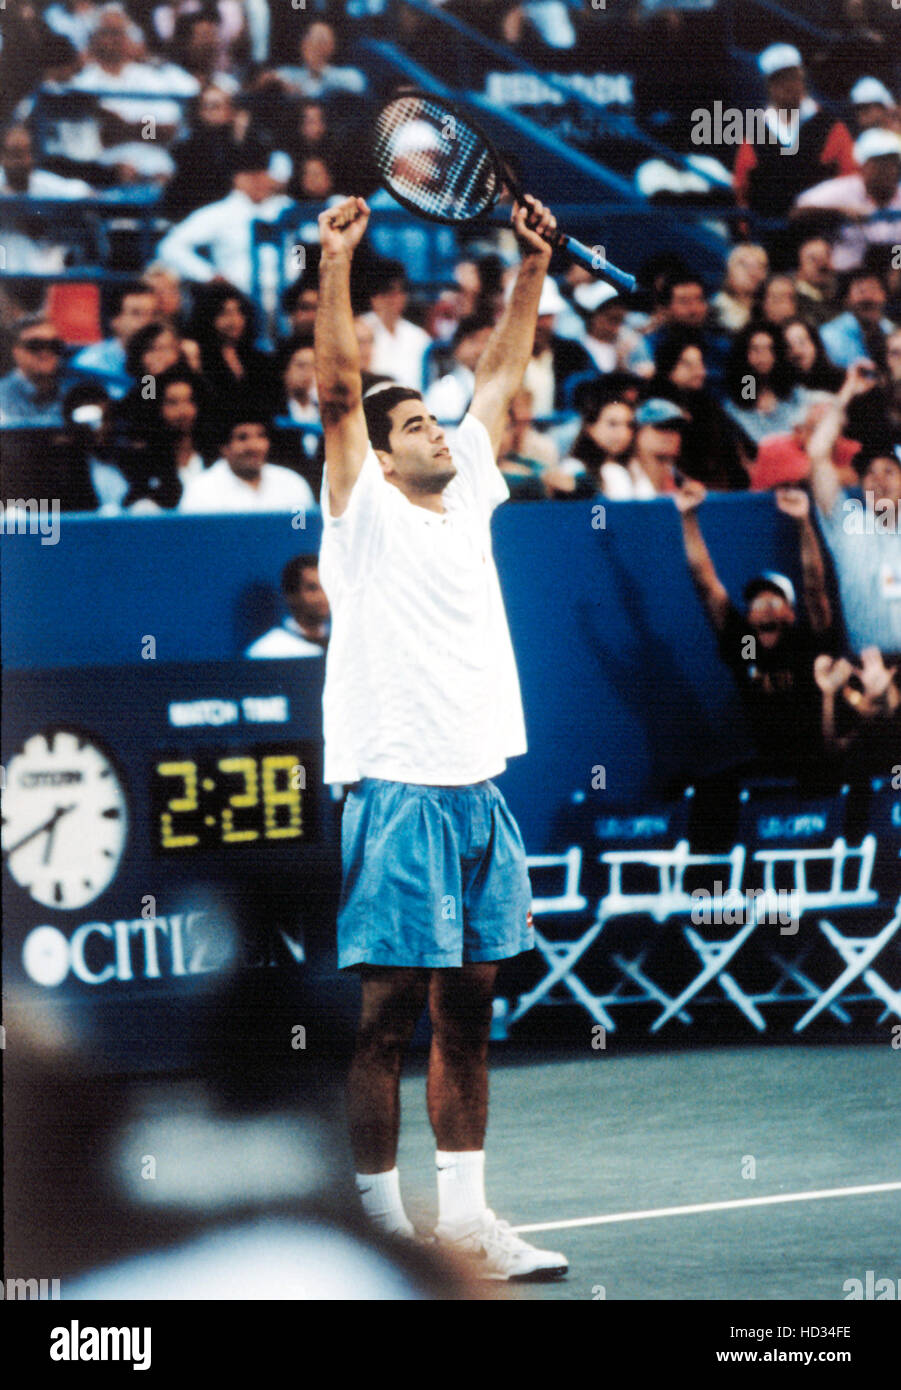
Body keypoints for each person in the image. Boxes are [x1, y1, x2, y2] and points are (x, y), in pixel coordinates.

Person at [313, 192, 568, 1280]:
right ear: (377, 456)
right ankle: (373, 1231)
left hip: (476, 787)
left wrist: (532, 266)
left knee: (468, 1009)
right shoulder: (359, 512)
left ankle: (465, 1221)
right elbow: (336, 390)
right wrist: (337, 262)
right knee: (384, 1017)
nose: (438, 429)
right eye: (415, 422)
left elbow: (504, 375)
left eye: (433, 420)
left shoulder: (467, 494)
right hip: (397, 784)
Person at [675, 480, 834, 781]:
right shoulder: (744, 644)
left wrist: (802, 522)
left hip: (816, 761)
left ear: (790, 612)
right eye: (758, 603)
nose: (765, 607)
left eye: (775, 601)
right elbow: (705, 583)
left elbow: (814, 585)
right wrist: (688, 518)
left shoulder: (805, 641)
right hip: (766, 765)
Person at [807, 367, 901, 659]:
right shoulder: (846, 523)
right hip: (868, 666)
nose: (879, 479)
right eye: (870, 474)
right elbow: (817, 452)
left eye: (889, 471)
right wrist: (847, 391)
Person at [156, 138, 295, 296]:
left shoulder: (287, 208)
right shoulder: (218, 213)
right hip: (239, 297)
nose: (259, 181)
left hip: (288, 297)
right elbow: (170, 247)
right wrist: (208, 275)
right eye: (251, 176)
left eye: (262, 175)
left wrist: (298, 272)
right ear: (236, 178)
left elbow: (303, 245)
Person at [732, 42, 855, 218]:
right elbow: (742, 188)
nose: (789, 85)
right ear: (769, 85)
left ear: (802, 77)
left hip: (824, 230)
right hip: (770, 231)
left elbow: (849, 177)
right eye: (780, 79)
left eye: (793, 77)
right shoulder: (755, 133)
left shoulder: (830, 126)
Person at [649, 326, 748, 491]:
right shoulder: (655, 407)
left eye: (700, 363)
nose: (699, 372)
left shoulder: (710, 406)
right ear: (669, 368)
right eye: (688, 365)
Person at [793, 128, 901, 273]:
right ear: (863, 166)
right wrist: (840, 212)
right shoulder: (845, 188)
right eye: (878, 164)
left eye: (890, 164)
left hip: (895, 269)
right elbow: (796, 213)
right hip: (847, 273)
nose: (885, 170)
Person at [179, 410, 315, 513]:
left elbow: (301, 531)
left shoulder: (293, 485)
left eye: (260, 436)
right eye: (242, 438)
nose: (254, 446)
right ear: (224, 448)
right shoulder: (201, 491)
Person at [723, 322, 809, 446]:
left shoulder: (794, 394)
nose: (763, 356)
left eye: (769, 349)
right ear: (745, 354)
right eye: (755, 350)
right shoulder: (737, 405)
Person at [70, 280, 158, 397]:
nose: (147, 322)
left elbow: (149, 402)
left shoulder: (163, 362)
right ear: (115, 320)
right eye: (136, 314)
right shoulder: (89, 365)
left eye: (152, 314)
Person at [362, 260, 432, 392]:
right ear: (374, 297)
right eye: (388, 294)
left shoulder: (419, 336)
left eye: (400, 293)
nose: (395, 300)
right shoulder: (359, 330)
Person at [245, 554, 330, 658]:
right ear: (292, 596)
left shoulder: (344, 641)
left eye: (326, 586)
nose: (322, 596)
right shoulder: (266, 651)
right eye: (312, 588)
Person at [0, 316, 73, 425]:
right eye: (35, 345)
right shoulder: (3, 396)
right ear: (16, 351)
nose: (46, 352)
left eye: (54, 345)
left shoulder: (78, 387)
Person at [423, 314, 494, 424]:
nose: (481, 349)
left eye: (488, 341)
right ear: (457, 348)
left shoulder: (508, 387)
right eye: (474, 341)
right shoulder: (442, 390)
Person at [819, 269, 896, 369]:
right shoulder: (828, 336)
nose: (868, 297)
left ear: (884, 296)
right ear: (847, 300)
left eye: (873, 290)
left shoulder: (892, 331)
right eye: (861, 291)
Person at [711, 244, 769, 333]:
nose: (753, 273)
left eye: (760, 267)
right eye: (744, 266)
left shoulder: (767, 308)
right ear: (729, 271)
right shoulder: (715, 309)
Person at [781, 317, 845, 393]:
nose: (797, 351)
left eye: (802, 343)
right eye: (789, 347)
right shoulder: (787, 391)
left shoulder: (841, 378)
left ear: (814, 343)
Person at [792, 236, 839, 326]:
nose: (822, 265)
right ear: (799, 267)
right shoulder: (796, 302)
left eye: (827, 256)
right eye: (813, 259)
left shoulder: (841, 294)